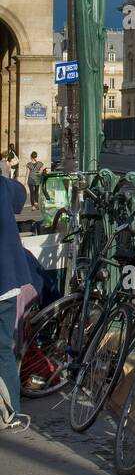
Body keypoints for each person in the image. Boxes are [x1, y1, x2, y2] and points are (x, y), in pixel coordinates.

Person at [0, 172, 32, 427]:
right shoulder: (3, 186)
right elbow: (21, 195)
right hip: (7, 280)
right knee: (3, 349)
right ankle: (12, 412)